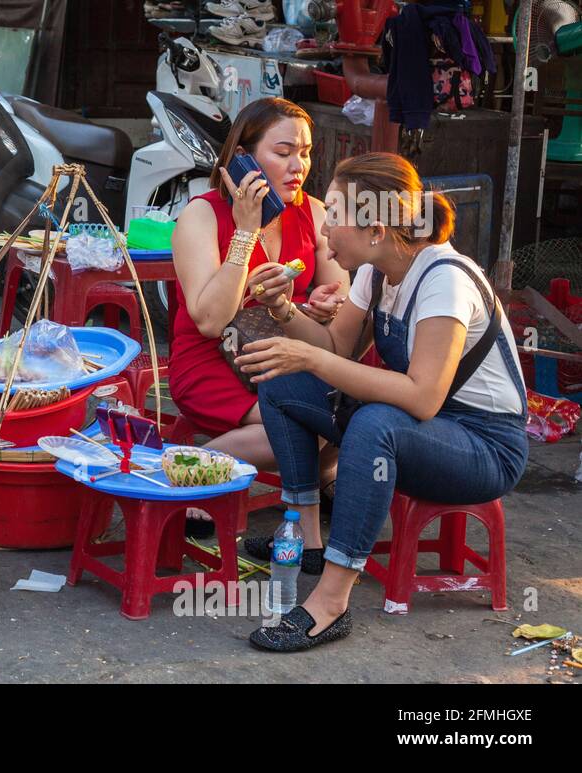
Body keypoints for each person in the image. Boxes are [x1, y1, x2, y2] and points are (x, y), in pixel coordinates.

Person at [238, 152, 528, 651]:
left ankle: (331, 602)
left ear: (376, 229)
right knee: (281, 381)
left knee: (376, 424)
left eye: (334, 214)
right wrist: (283, 310)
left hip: (484, 447)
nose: (325, 229)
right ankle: (305, 540)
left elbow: (421, 397)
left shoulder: (445, 280)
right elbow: (334, 349)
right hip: (423, 429)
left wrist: (307, 356)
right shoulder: (376, 272)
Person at [168, 97, 350, 549]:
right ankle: (201, 459)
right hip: (211, 364)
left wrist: (325, 304)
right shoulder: (202, 214)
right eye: (284, 152)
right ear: (243, 157)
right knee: (299, 428)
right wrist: (246, 232)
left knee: (360, 412)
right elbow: (210, 321)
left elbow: (341, 296)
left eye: (305, 153)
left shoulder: (313, 211)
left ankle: (321, 472)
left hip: (286, 355)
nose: (298, 166)